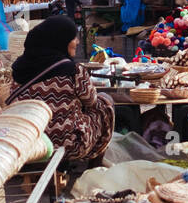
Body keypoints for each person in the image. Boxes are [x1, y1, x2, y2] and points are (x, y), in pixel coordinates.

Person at [8, 15, 114, 163]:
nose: (77, 42)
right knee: (105, 103)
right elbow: (92, 101)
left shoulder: (19, 70)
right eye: (73, 38)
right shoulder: (72, 71)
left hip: (31, 146)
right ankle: (94, 164)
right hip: (72, 146)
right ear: (60, 40)